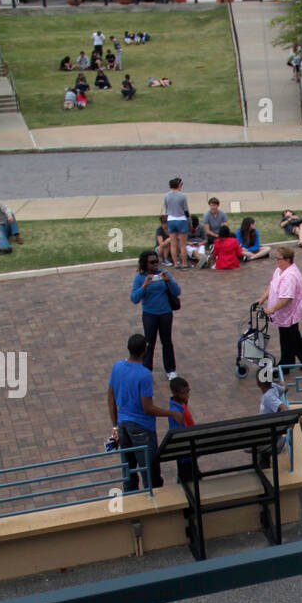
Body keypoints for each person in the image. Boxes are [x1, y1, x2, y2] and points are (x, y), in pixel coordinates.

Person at [107, 332, 183, 493]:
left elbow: (111, 397)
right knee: (151, 475)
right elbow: (147, 407)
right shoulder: (144, 375)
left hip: (123, 427)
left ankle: (132, 510)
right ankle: (154, 507)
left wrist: (115, 426)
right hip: (142, 429)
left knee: (129, 475)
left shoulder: (117, 367)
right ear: (144, 351)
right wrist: (172, 413)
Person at [130, 249, 181, 378]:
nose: (155, 264)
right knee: (149, 343)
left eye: (156, 261)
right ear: (145, 264)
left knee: (167, 342)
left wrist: (169, 280)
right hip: (149, 314)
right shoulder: (140, 278)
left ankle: (170, 370)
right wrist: (144, 285)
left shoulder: (165, 274)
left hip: (165, 313)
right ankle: (147, 370)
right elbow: (134, 298)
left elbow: (177, 291)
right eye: (152, 262)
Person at [261, 245, 302, 369]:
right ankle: (291, 361)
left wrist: (272, 309)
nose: (277, 261)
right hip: (283, 314)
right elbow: (272, 285)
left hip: (290, 312)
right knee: (288, 336)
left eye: (279, 259)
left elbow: (287, 299)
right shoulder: (279, 270)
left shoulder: (290, 276)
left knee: (292, 336)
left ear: (287, 260)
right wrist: (263, 298)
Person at [256, 365, 287, 465]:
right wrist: (283, 384)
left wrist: (287, 422)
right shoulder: (274, 386)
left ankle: (263, 464)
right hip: (267, 428)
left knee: (257, 447)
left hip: (268, 431)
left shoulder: (268, 397)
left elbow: (283, 407)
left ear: (259, 383)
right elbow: (284, 389)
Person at [167, 376, 195, 482]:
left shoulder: (181, 403)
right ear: (175, 393)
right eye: (184, 392)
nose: (187, 395)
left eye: (188, 391)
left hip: (188, 450)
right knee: (186, 476)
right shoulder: (175, 411)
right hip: (185, 451)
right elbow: (178, 432)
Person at [163, 177, 190, 269]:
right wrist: (189, 221)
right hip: (181, 219)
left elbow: (166, 209)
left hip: (171, 219)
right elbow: (186, 210)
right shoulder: (182, 196)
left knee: (173, 244)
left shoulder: (166, 196)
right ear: (178, 185)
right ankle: (184, 263)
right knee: (182, 244)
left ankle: (175, 263)